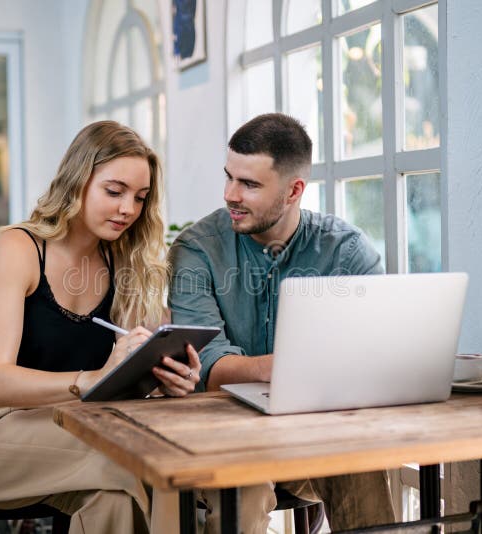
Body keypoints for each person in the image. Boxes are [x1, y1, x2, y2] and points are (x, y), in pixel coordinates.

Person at [0, 121, 202, 534]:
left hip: (79, 426)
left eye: (139, 198)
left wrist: (162, 377)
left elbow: (120, 376)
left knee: (115, 497)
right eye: (114, 191)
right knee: (138, 461)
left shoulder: (124, 261)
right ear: (76, 181)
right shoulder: (17, 248)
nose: (128, 210)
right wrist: (91, 380)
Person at [168, 113, 395, 533]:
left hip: (314, 440)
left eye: (249, 184)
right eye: (229, 177)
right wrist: (286, 365)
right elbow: (209, 368)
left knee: (360, 459)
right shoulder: (196, 250)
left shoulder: (345, 252)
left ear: (293, 191)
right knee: (241, 483)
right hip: (223, 438)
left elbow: (374, 355)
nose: (230, 194)